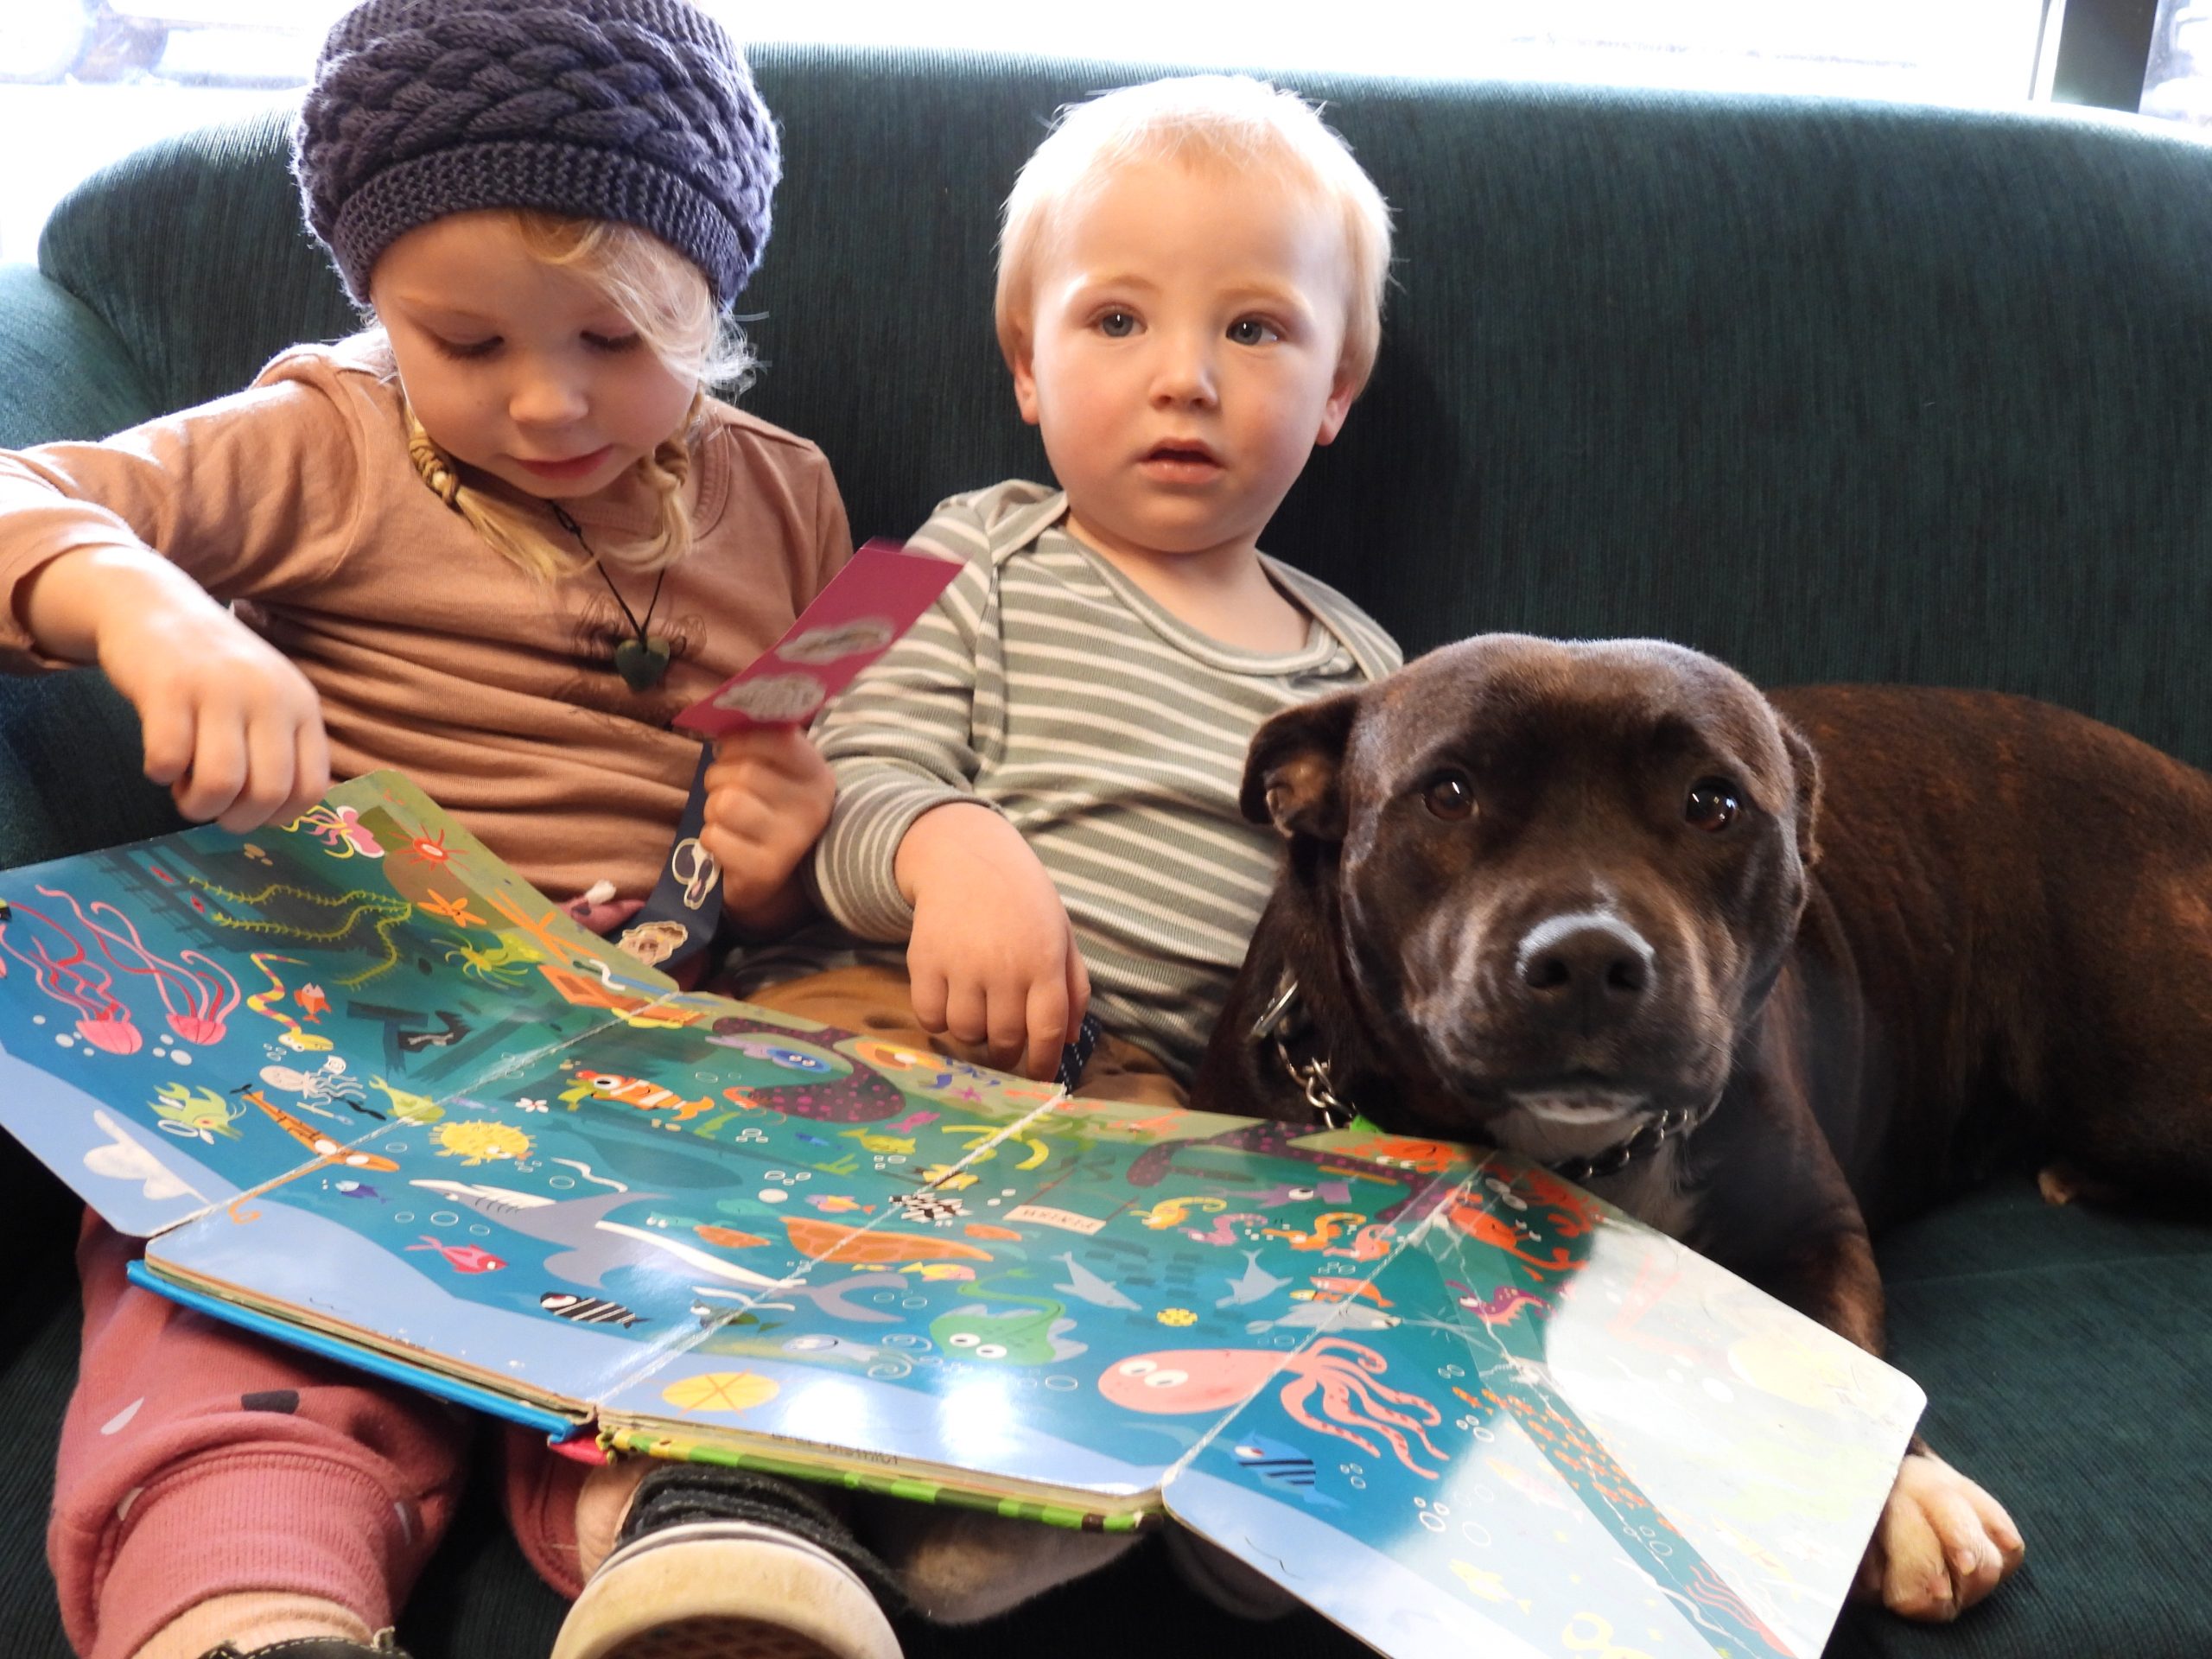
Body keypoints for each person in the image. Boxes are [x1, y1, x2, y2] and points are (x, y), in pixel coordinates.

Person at [0, 4, 894, 1658]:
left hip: (649, 1046)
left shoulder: (794, 499)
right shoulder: (325, 441)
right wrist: (143, 604)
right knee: (244, 1325)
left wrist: (777, 850)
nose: (548, 404)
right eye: (464, 343)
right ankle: (246, 1589)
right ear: (374, 304)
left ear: (715, 292)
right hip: (338, 1028)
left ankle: (708, 1554)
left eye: (617, 343)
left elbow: (799, 773)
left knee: (740, 1308)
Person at [720, 72, 1402, 1623]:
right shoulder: (944, 547)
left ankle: (1064, 1489)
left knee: (1201, 1248)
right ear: (1025, 366)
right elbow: (797, 780)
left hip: (1156, 1110)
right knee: (797, 1180)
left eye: (1256, 329)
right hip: (886, 1026)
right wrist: (953, 841)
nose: (1186, 381)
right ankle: (755, 1501)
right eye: (1116, 322)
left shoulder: (1374, 676)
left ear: (1339, 384)